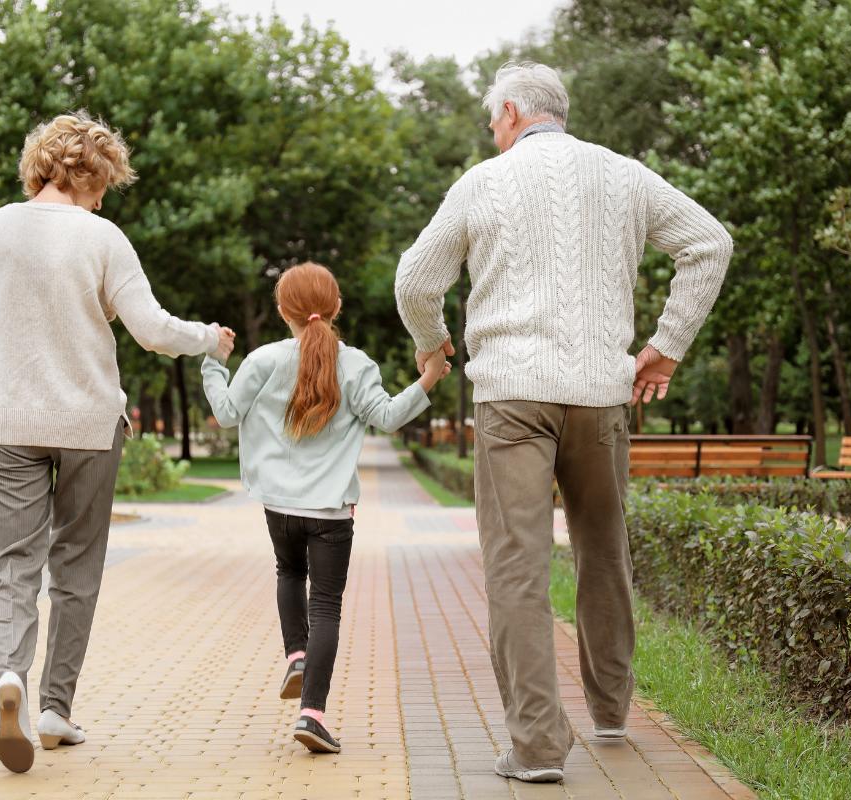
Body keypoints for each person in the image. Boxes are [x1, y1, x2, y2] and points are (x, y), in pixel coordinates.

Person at [395, 62, 732, 783]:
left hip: (511, 398)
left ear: (512, 112)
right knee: (603, 551)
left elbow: (416, 280)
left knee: (515, 567)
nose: (494, 134)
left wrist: (431, 341)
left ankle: (538, 748)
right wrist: (665, 345)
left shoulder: (483, 182)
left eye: (493, 121)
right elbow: (710, 245)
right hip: (601, 395)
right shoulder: (624, 175)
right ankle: (612, 710)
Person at [0, 111, 235, 774]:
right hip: (88, 428)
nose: (105, 199)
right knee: (76, 569)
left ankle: (8, 675)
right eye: (106, 185)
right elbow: (153, 330)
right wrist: (209, 338)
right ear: (93, 177)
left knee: (13, 561)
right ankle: (53, 709)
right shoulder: (103, 239)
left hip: (8, 425)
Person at [201, 262, 449, 754]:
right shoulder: (356, 364)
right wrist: (430, 377)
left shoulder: (264, 359)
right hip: (331, 511)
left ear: (281, 310)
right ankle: (311, 715)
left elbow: (226, 414)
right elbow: (388, 418)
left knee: (288, 573)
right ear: (336, 307)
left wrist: (213, 362)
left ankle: (296, 654)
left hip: (279, 505)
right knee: (327, 606)